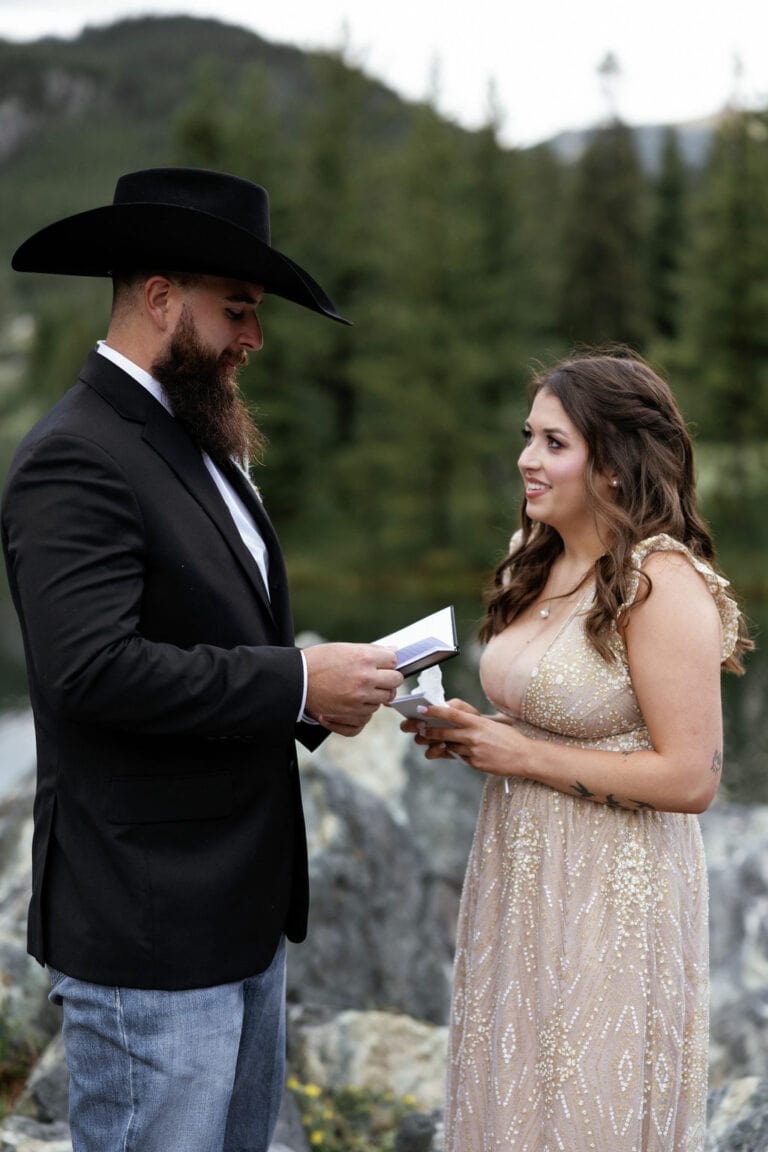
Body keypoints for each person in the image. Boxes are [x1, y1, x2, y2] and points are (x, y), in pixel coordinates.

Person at [1, 167, 403, 1152]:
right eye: (238, 309)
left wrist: (321, 698)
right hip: (147, 931)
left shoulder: (198, 439)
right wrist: (299, 680)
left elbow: (220, 636)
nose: (254, 337)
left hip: (238, 911)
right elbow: (92, 670)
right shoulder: (75, 454)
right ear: (158, 298)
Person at [401, 349, 751, 1152]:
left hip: (613, 889)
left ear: (614, 465)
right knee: (512, 1101)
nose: (527, 458)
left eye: (554, 443)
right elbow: (545, 717)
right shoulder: (541, 558)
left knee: (588, 1105)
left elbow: (692, 777)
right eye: (528, 437)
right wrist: (476, 732)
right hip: (518, 875)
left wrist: (522, 756)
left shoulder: (660, 583)